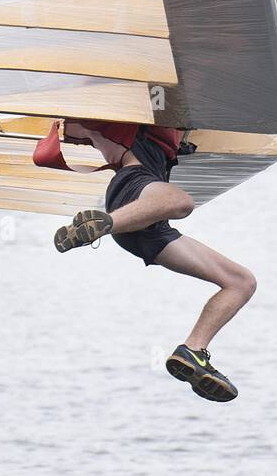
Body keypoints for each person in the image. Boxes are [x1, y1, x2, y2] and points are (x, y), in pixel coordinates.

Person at [40, 119, 256, 402]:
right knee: (181, 202)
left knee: (241, 282)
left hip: (146, 226)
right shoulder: (125, 115)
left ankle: (193, 351)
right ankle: (101, 225)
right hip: (133, 188)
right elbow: (76, 124)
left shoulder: (156, 128)